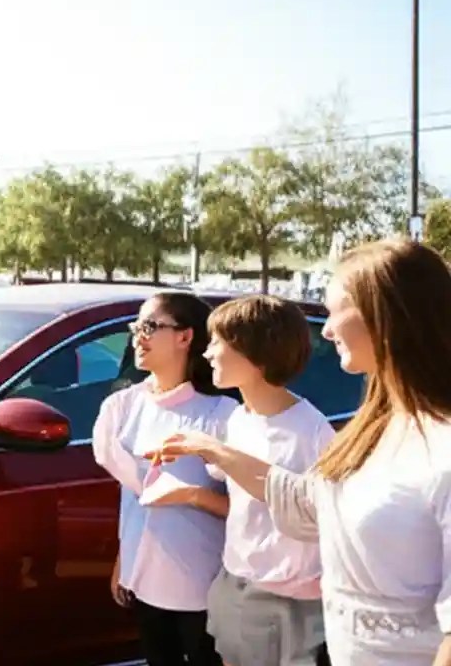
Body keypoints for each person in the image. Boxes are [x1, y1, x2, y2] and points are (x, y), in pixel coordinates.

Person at [150, 238, 451, 666]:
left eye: (334, 312)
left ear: (387, 315)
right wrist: (211, 450)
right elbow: (305, 503)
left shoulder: (440, 449)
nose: (325, 331)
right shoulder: (378, 429)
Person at [92, 291, 235, 666]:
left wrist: (192, 495)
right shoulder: (122, 407)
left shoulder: (222, 413)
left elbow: (249, 511)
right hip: (145, 581)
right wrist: (125, 558)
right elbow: (132, 495)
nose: (138, 336)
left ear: (185, 337)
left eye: (149, 326)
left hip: (204, 587)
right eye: (136, 326)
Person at [199, 295, 335, 665]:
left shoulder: (310, 433)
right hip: (237, 584)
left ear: (255, 354)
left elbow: (322, 519)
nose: (207, 353)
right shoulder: (240, 418)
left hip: (286, 604)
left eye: (217, 343)